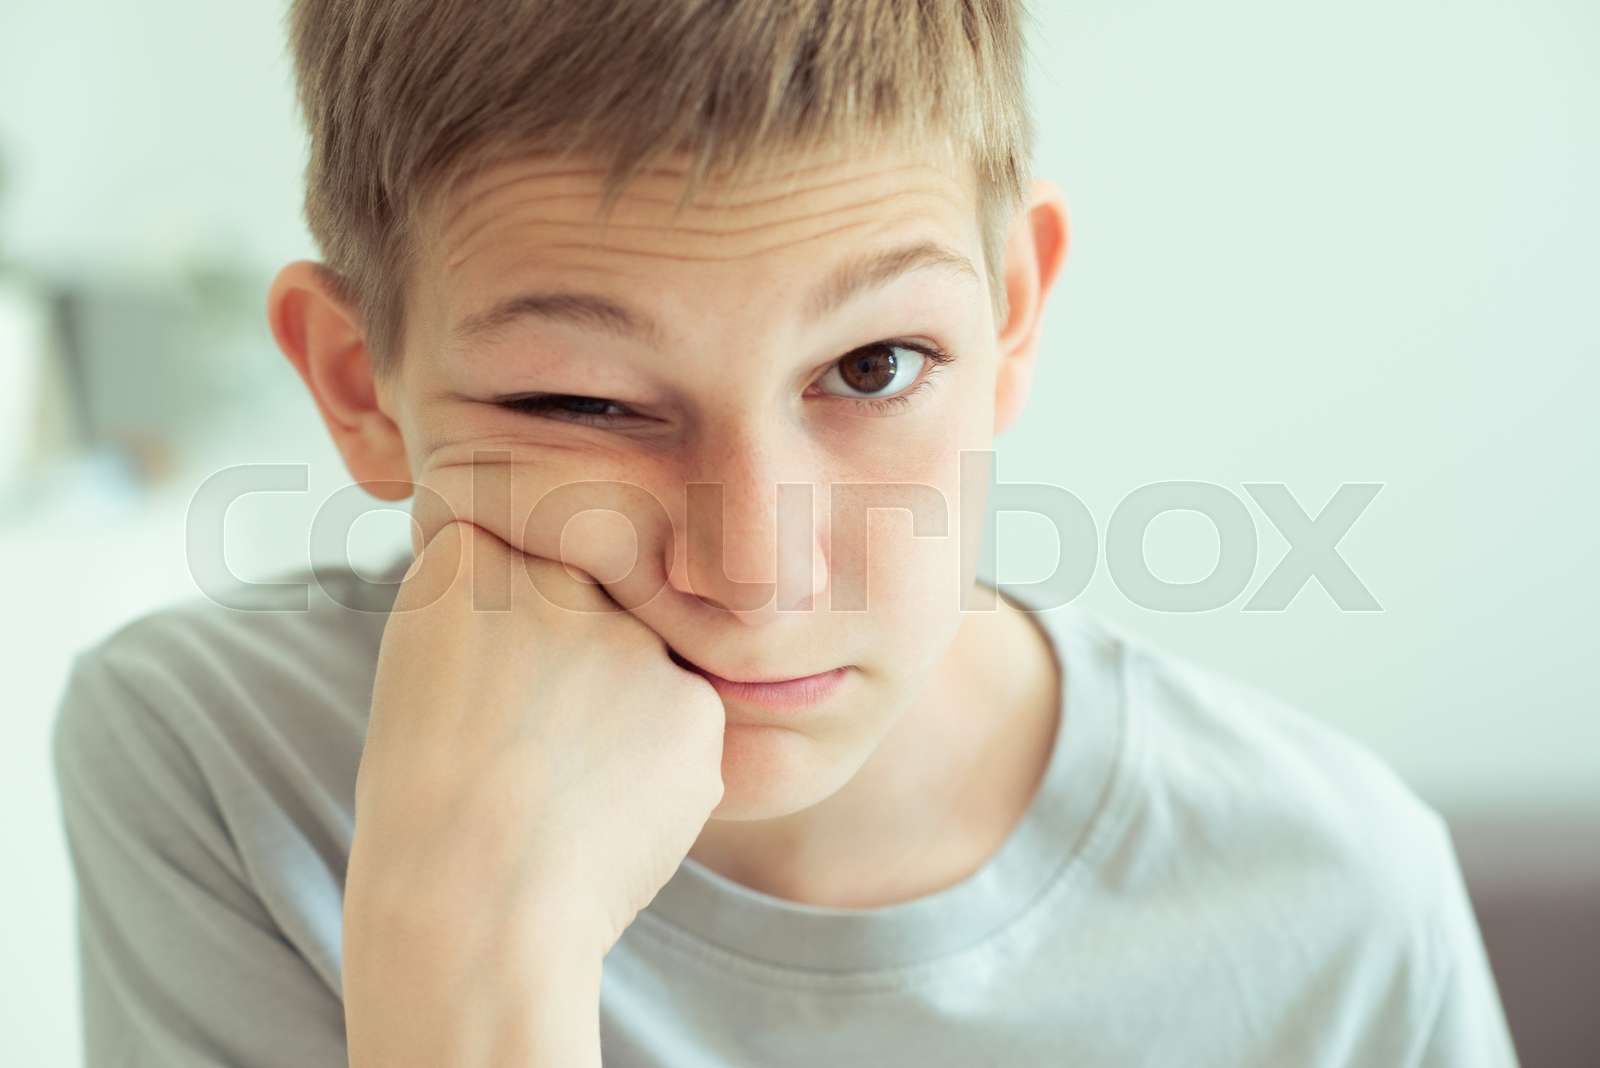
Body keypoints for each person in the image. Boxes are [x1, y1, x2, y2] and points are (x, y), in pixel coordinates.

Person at [50, 1, 1519, 1065]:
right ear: (358, 387)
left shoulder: (1327, 902)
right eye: (580, 400)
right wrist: (471, 943)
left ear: (1011, 314)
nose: (755, 567)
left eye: (873, 369)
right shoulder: (217, 764)